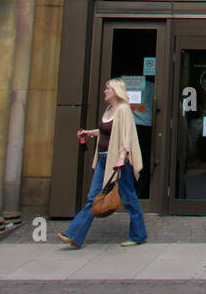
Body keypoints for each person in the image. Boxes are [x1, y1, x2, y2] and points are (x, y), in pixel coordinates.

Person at [58, 79, 147, 249]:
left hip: (118, 162)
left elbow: (126, 134)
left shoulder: (123, 110)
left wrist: (123, 156)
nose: (105, 91)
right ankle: (74, 235)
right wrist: (89, 133)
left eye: (108, 89)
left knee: (128, 197)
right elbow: (108, 132)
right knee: (93, 198)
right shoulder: (109, 109)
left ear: (116, 91)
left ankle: (138, 234)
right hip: (103, 160)